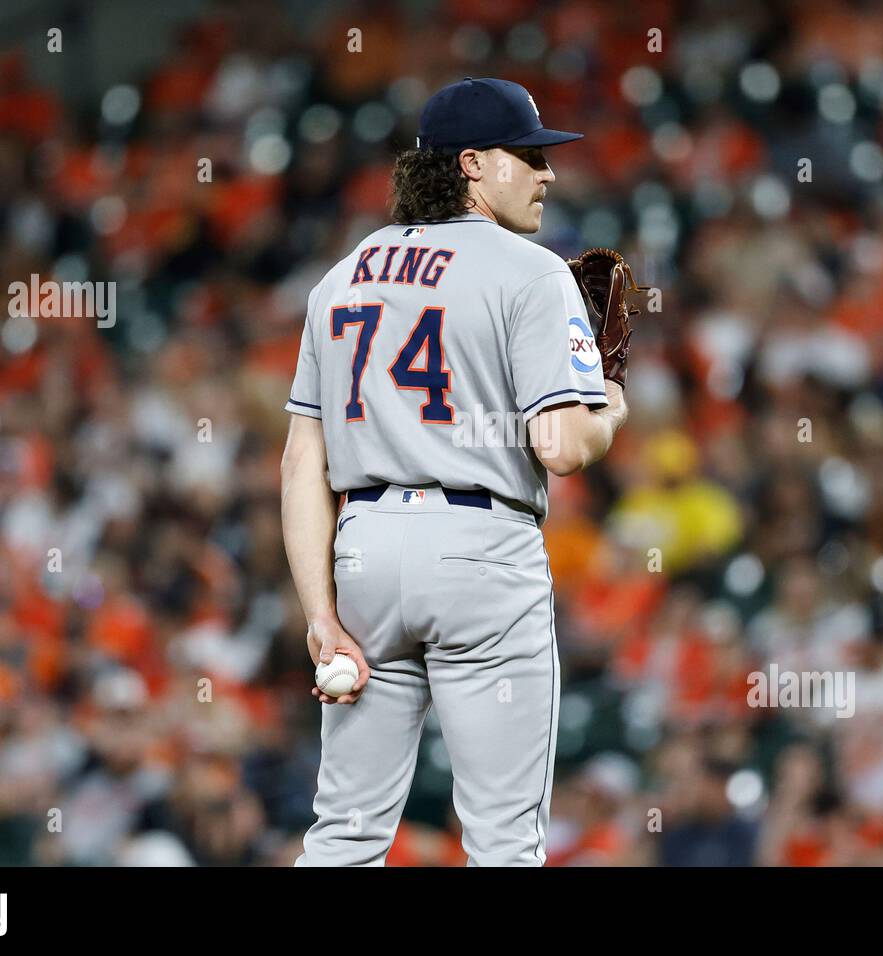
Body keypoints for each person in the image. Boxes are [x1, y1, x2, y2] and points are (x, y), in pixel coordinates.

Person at [280, 77, 630, 865]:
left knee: (342, 833)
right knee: (505, 841)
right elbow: (563, 448)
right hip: (479, 551)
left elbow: (303, 462)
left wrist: (319, 614)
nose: (548, 175)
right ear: (472, 164)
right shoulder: (529, 270)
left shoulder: (341, 277)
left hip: (364, 552)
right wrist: (609, 407)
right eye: (529, 156)